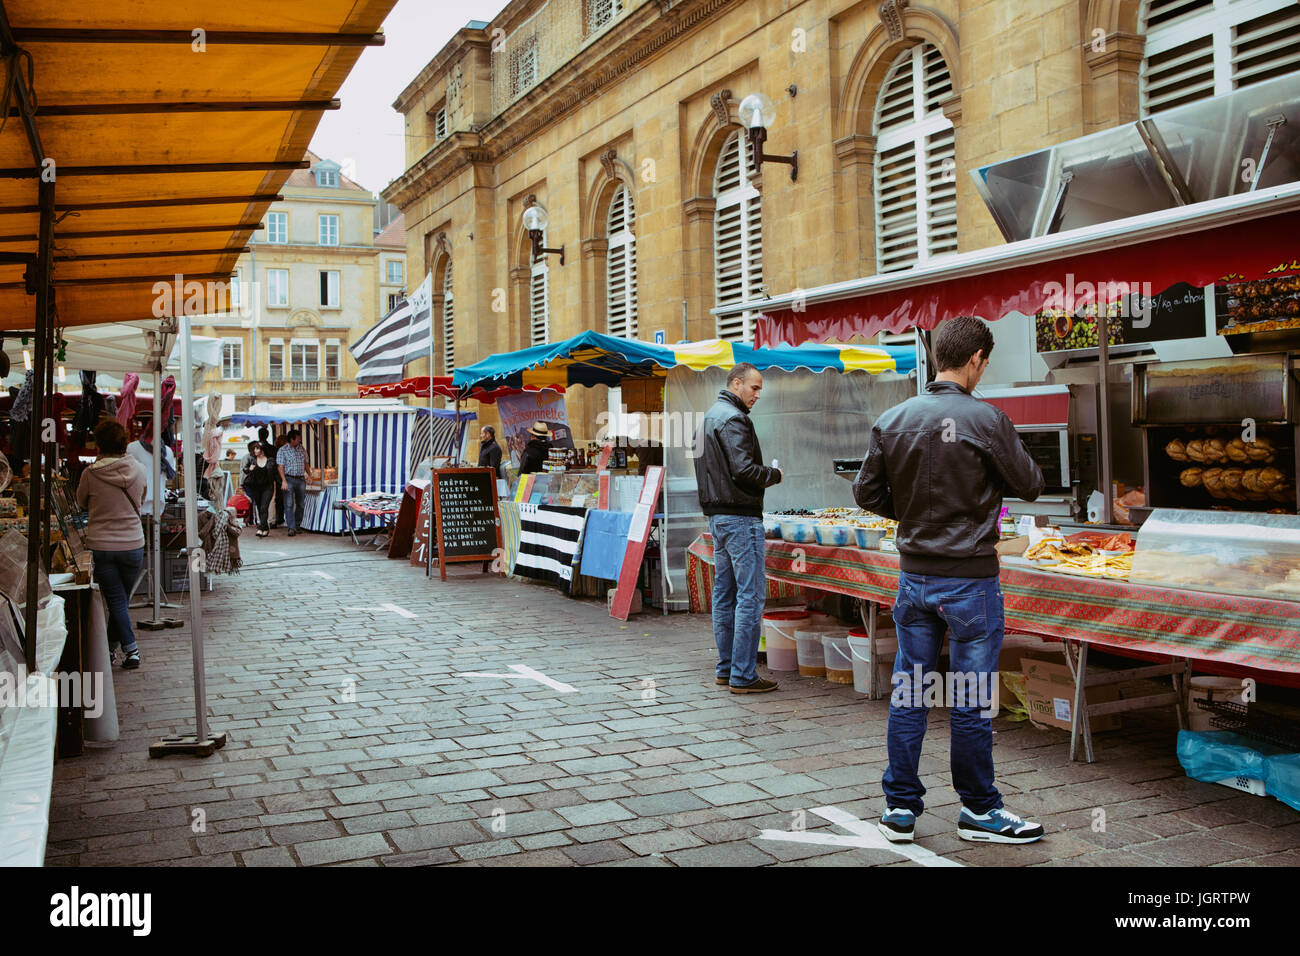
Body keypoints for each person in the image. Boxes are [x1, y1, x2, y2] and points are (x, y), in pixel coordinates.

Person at [853, 316, 1046, 846]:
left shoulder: (894, 418)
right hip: (970, 583)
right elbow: (1031, 484)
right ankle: (980, 811)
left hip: (914, 578)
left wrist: (914, 514)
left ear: (940, 357)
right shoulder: (988, 419)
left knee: (910, 692)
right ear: (977, 359)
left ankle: (899, 809)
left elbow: (866, 495)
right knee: (969, 697)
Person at [693, 363, 782, 694]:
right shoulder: (733, 418)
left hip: (718, 517)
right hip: (740, 518)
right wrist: (773, 475)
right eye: (754, 388)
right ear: (736, 383)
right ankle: (742, 674)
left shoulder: (710, 417)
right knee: (750, 595)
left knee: (725, 593)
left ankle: (727, 668)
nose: (758, 395)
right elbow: (744, 470)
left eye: (760, 389)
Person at [76, 419, 147, 670]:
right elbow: (142, 498)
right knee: (121, 601)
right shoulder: (138, 469)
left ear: (99, 445)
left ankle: (131, 650)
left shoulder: (91, 473)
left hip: (102, 545)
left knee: (117, 602)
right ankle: (110, 650)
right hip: (133, 544)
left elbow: (81, 502)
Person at [277, 428, 308, 536]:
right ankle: (291, 527)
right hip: (289, 478)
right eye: (298, 438)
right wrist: (284, 481)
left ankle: (297, 525)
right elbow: (280, 467)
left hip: (300, 479)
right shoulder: (282, 450)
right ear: (292, 439)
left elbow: (306, 462)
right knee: (289, 503)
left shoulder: (301, 449)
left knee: (301, 504)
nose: (300, 440)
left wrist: (310, 474)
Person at [241, 441, 276, 537]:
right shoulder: (252, 459)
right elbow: (245, 469)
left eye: (257, 448)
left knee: (264, 507)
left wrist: (282, 483)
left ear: (262, 450)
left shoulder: (270, 460)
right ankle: (265, 527)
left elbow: (275, 474)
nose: (255, 450)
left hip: (267, 487)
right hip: (255, 487)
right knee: (260, 507)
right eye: (255, 448)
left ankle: (261, 527)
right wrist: (249, 469)